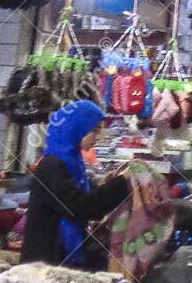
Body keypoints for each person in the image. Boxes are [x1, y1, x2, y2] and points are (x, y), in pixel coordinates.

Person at [22, 100, 130, 268]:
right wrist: (121, 183)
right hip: (46, 261)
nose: (98, 138)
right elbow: (79, 207)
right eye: (94, 131)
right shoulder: (52, 165)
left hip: (58, 256)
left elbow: (77, 194)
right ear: (76, 128)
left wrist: (102, 184)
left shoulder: (71, 161)